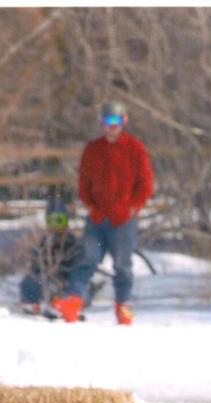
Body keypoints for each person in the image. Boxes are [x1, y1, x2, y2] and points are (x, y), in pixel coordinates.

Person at [75, 100, 154, 325]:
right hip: (97, 219)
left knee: (122, 266)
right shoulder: (93, 149)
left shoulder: (136, 149)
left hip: (123, 221)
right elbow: (84, 183)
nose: (112, 127)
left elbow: (146, 184)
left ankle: (123, 307)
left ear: (124, 122)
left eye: (116, 121)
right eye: (108, 122)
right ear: (101, 123)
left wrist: (132, 207)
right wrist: (91, 206)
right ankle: (73, 301)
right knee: (88, 259)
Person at [18, 198, 87, 317]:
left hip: (68, 283)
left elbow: (79, 271)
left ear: (66, 222)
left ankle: (67, 306)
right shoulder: (44, 243)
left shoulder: (75, 244)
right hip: (49, 284)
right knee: (29, 282)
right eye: (52, 221)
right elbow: (36, 269)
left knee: (79, 288)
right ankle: (36, 304)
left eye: (59, 221)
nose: (56, 226)